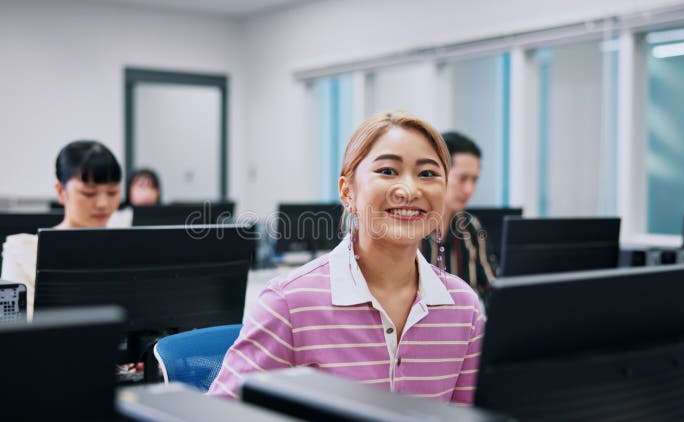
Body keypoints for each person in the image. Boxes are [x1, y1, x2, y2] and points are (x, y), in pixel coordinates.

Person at [208, 111, 485, 405]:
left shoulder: (464, 308)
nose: (409, 190)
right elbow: (218, 413)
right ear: (347, 191)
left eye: (428, 174)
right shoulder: (289, 304)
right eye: (388, 171)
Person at [1, 140, 123, 316]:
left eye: (112, 192)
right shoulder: (24, 251)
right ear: (60, 191)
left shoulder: (125, 247)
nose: (103, 203)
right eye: (89, 193)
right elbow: (19, 327)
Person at [420, 131, 496, 299]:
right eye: (462, 179)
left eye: (474, 180)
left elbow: (492, 289)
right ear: (437, 174)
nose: (469, 189)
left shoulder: (470, 227)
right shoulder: (411, 226)